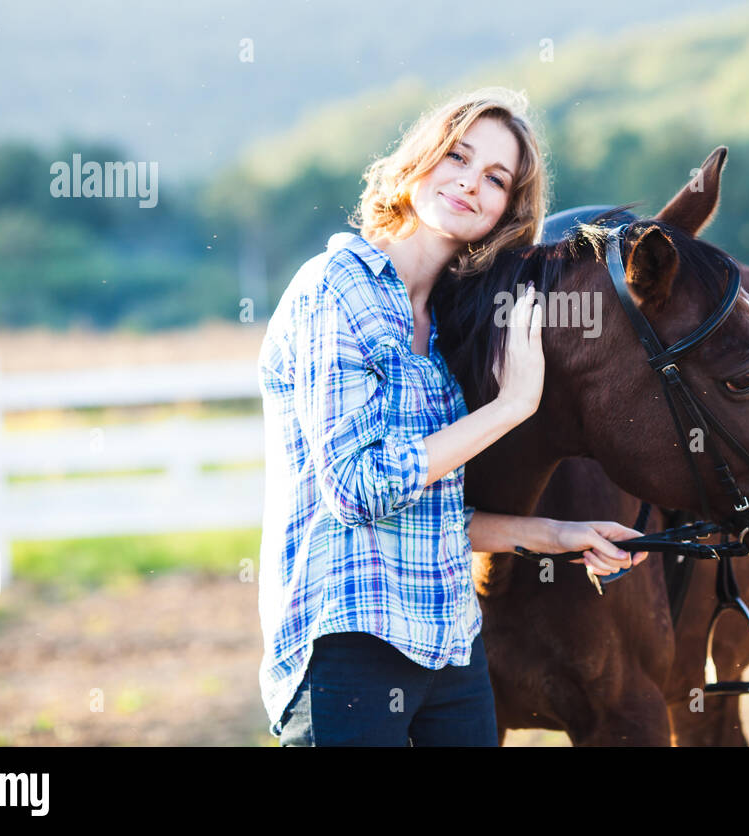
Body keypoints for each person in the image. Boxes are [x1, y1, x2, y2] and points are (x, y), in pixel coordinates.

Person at [257, 87, 647, 746]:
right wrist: (512, 407)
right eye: (458, 157)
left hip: (449, 650)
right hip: (347, 644)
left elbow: (428, 513)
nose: (470, 182)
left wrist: (558, 535)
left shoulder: (442, 330)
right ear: (419, 161)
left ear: (506, 213)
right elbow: (359, 489)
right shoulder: (335, 289)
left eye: (495, 179)